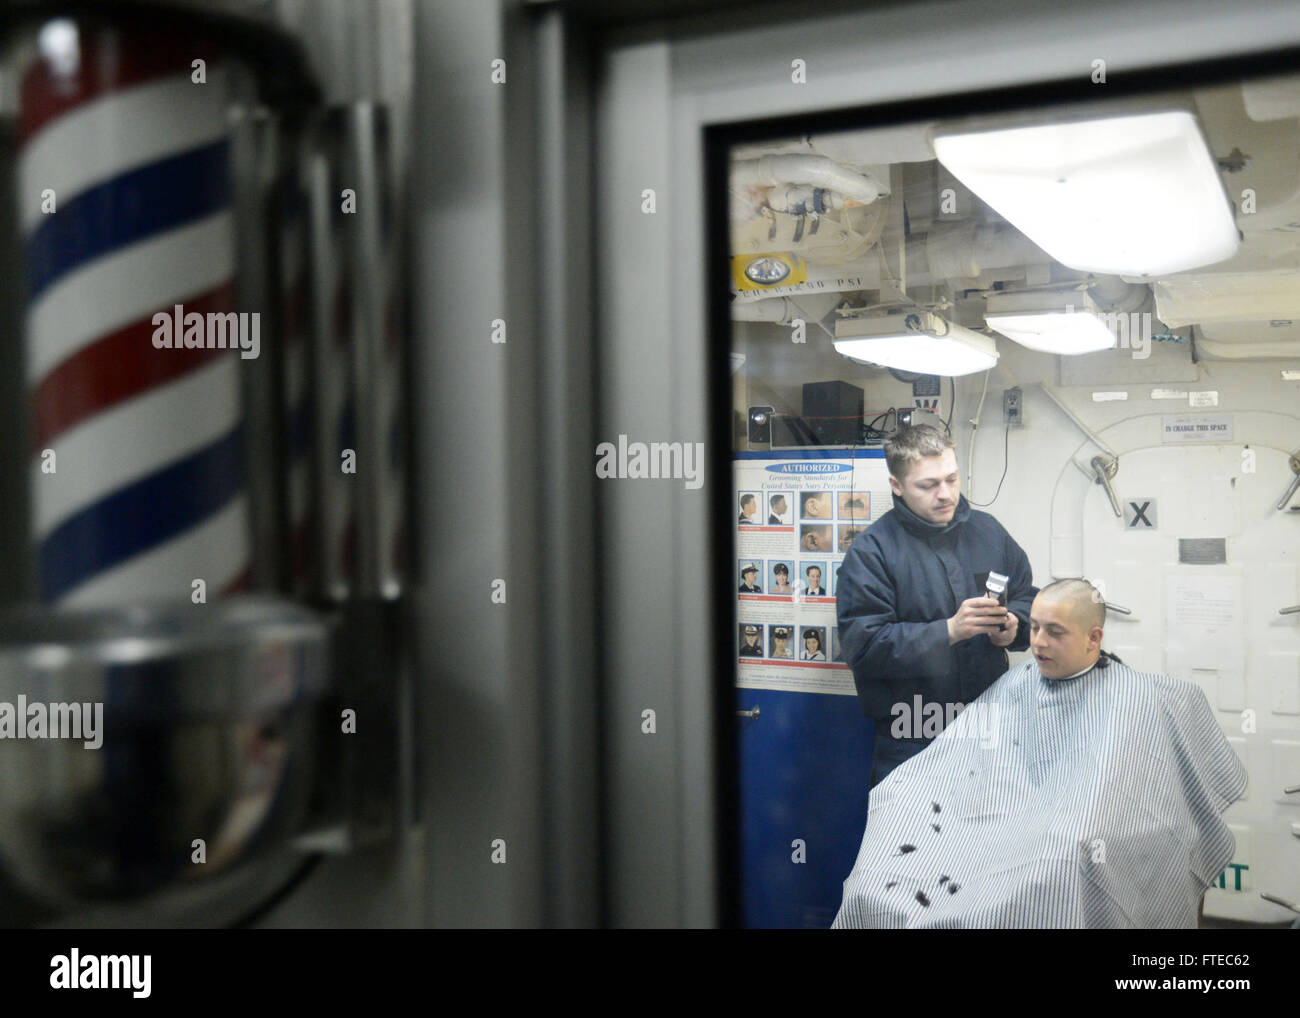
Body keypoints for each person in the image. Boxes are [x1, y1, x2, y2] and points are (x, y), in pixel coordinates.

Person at [832, 579, 1246, 929]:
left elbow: (1116, 799)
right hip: (985, 826)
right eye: (1036, 629)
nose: (1038, 644)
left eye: (1055, 632)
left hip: (1058, 840)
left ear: (1094, 638)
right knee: (887, 832)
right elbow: (954, 758)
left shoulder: (1135, 699)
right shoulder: (1019, 684)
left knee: (1058, 864)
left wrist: (1060, 828)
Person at [836, 424, 1036, 787]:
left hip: (986, 727)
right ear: (896, 485)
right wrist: (949, 631)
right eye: (928, 485)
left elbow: (1028, 596)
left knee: (987, 834)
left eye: (951, 479)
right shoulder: (871, 553)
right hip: (910, 735)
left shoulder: (988, 531)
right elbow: (863, 648)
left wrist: (1014, 626)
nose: (945, 494)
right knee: (910, 840)